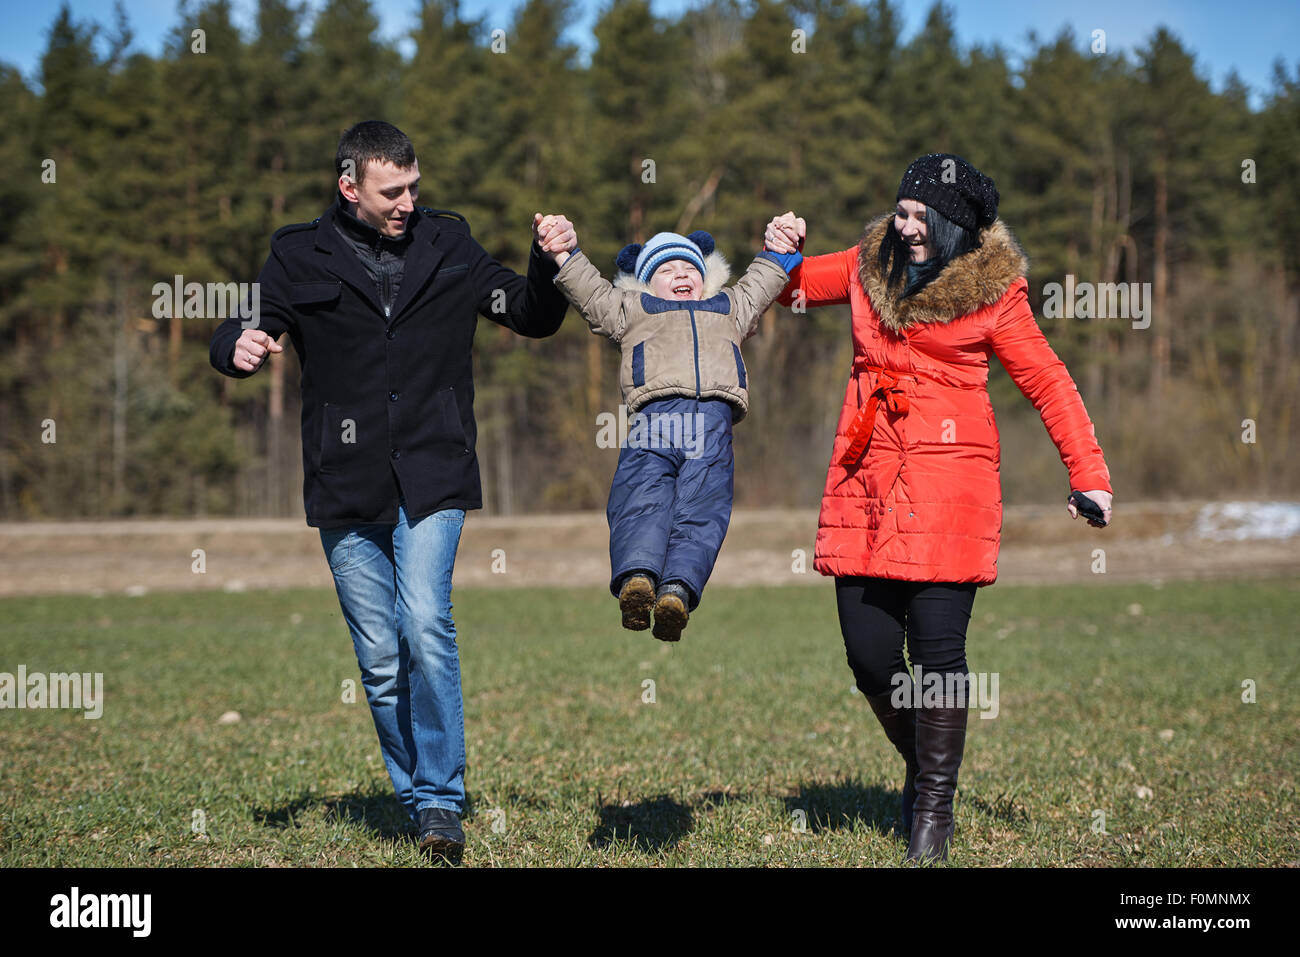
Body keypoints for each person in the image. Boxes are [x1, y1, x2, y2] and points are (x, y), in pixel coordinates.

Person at [209, 120, 575, 859]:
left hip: (434, 468)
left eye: (414, 185)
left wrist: (549, 263)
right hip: (345, 482)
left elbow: (528, 315)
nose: (409, 200)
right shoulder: (296, 252)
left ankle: (441, 800)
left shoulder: (448, 241)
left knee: (424, 622)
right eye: (392, 190)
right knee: (379, 657)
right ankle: (415, 795)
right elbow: (250, 323)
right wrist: (235, 346)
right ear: (350, 189)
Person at [764, 153, 1113, 863]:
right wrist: (780, 250)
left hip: (951, 489)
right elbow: (790, 289)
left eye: (924, 216)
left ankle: (932, 810)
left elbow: (1047, 379)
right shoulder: (869, 266)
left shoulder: (994, 294)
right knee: (868, 656)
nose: (908, 225)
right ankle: (925, 758)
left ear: (957, 225)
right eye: (903, 210)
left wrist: (1090, 473)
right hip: (864, 483)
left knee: (938, 652)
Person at [552, 230, 801, 641]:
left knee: (702, 511)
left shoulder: (730, 306)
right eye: (667, 269)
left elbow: (764, 278)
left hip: (713, 427)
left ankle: (676, 593)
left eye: (690, 267)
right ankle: (638, 580)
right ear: (647, 281)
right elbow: (591, 293)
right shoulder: (633, 309)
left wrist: (782, 244)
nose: (681, 274)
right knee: (640, 497)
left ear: (706, 276)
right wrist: (564, 252)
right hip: (655, 419)